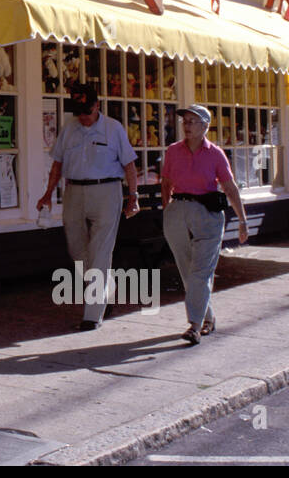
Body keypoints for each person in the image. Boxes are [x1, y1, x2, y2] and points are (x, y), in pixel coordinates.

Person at [35, 83, 140, 330]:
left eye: (87, 110)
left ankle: (92, 315)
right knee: (76, 249)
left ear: (97, 105)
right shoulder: (69, 129)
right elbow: (57, 165)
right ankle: (106, 289)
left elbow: (129, 165)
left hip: (106, 191)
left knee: (101, 251)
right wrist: (48, 194)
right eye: (78, 111)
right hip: (74, 191)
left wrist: (133, 196)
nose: (83, 116)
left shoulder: (113, 129)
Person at [160, 104, 249, 345]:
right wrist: (168, 209)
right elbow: (166, 183)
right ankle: (207, 317)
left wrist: (242, 220)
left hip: (207, 214)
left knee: (201, 270)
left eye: (192, 121)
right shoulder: (173, 151)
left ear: (205, 126)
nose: (186, 126)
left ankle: (195, 325)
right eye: (184, 121)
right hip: (178, 211)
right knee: (187, 268)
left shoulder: (215, 154)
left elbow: (230, 187)